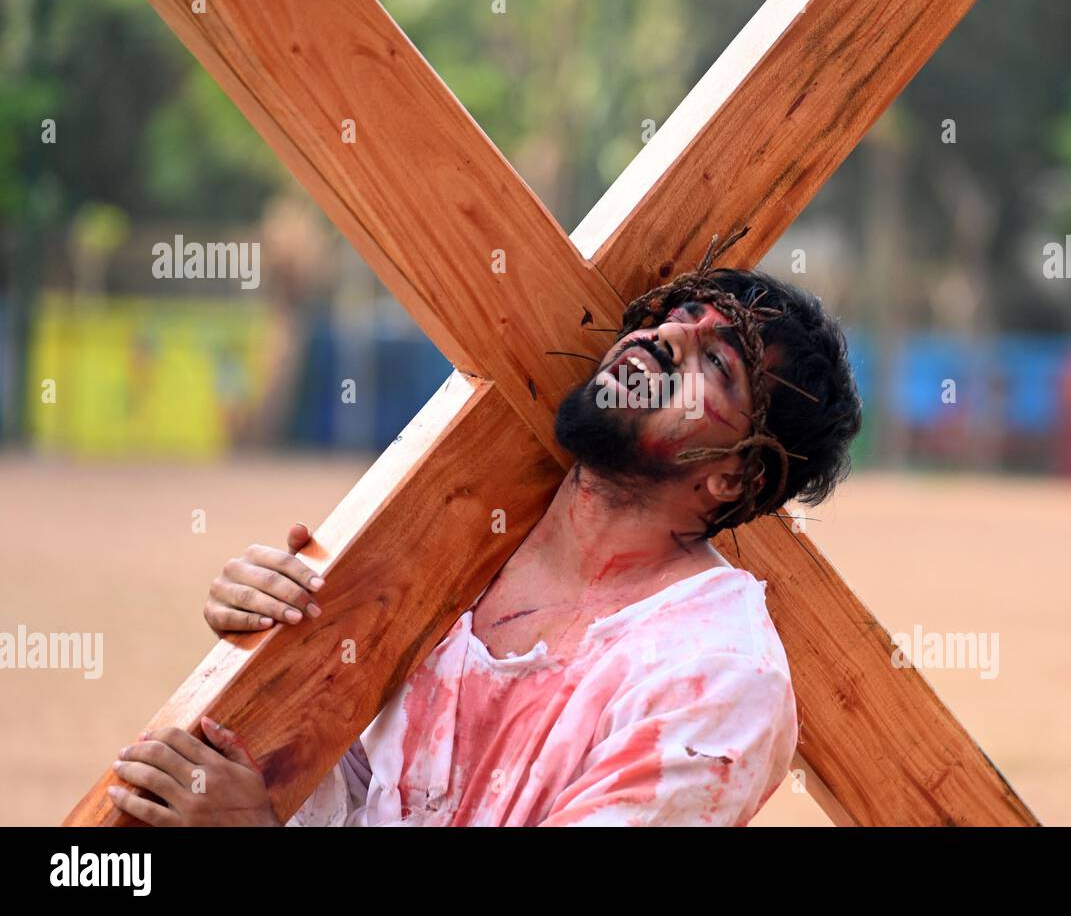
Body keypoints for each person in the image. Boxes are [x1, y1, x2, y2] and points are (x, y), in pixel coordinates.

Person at [108, 232, 862, 826]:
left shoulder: (717, 673)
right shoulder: (454, 545)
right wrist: (271, 640)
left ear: (733, 478)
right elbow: (372, 797)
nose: (666, 338)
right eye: (674, 316)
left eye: (717, 363)